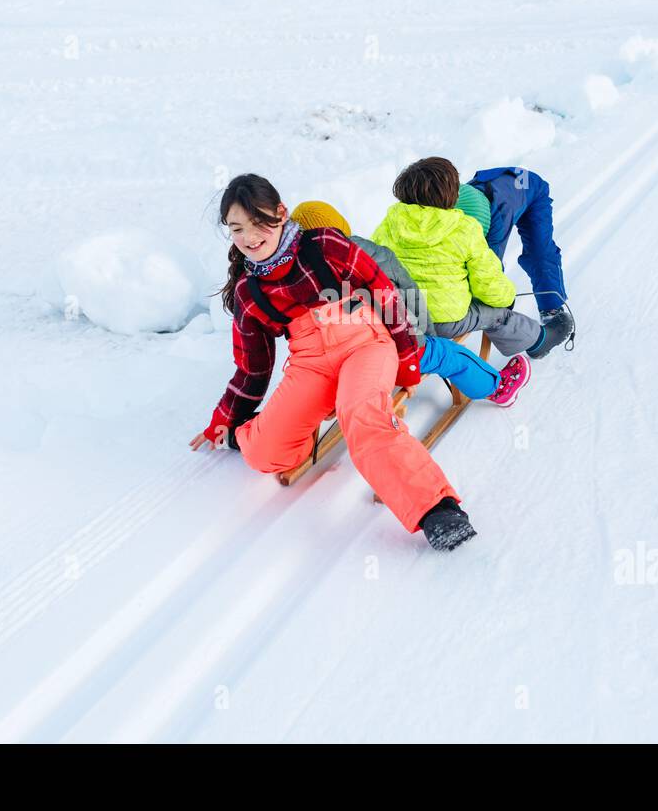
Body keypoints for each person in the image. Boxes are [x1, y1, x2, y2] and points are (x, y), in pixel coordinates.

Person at [188, 173, 476, 551]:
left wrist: (407, 358)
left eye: (258, 223)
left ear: (280, 213)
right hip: (311, 362)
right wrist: (225, 419)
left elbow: (384, 294)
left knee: (362, 416)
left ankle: (436, 509)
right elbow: (252, 367)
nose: (249, 237)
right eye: (237, 228)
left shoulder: (323, 245)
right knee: (263, 454)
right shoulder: (249, 290)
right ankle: (277, 430)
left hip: (365, 344)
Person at [289, 200, 532, 407]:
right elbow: (408, 292)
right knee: (451, 355)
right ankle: (497, 387)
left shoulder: (292, 276)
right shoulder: (368, 253)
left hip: (333, 364)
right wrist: (429, 335)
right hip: (393, 350)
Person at [372, 157, 550, 360]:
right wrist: (507, 298)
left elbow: (375, 265)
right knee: (499, 315)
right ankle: (538, 341)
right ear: (452, 195)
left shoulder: (388, 224)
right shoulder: (465, 228)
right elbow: (487, 284)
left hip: (398, 316)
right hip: (443, 322)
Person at [459, 166, 575, 355]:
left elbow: (491, 271)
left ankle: (551, 308)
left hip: (530, 191)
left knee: (540, 252)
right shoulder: (449, 211)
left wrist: (498, 301)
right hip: (492, 189)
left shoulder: (495, 223)